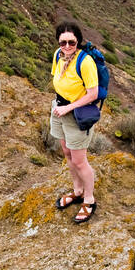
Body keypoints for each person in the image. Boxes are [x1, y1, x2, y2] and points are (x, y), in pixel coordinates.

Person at [50, 21, 98, 224]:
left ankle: (89, 199)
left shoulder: (85, 62)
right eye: (63, 42)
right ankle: (77, 190)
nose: (67, 46)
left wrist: (67, 108)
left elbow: (93, 94)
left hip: (76, 114)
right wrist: (60, 105)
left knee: (79, 160)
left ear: (77, 41)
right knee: (67, 153)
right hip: (59, 109)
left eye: (72, 42)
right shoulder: (57, 55)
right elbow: (58, 79)